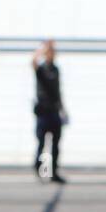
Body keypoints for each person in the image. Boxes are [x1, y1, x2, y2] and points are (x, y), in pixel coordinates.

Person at [31, 40, 66, 184]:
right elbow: (33, 62)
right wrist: (43, 48)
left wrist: (63, 109)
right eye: (50, 52)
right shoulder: (41, 69)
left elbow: (58, 92)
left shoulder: (56, 69)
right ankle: (39, 169)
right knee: (41, 143)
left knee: (56, 144)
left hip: (54, 111)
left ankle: (54, 172)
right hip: (43, 112)